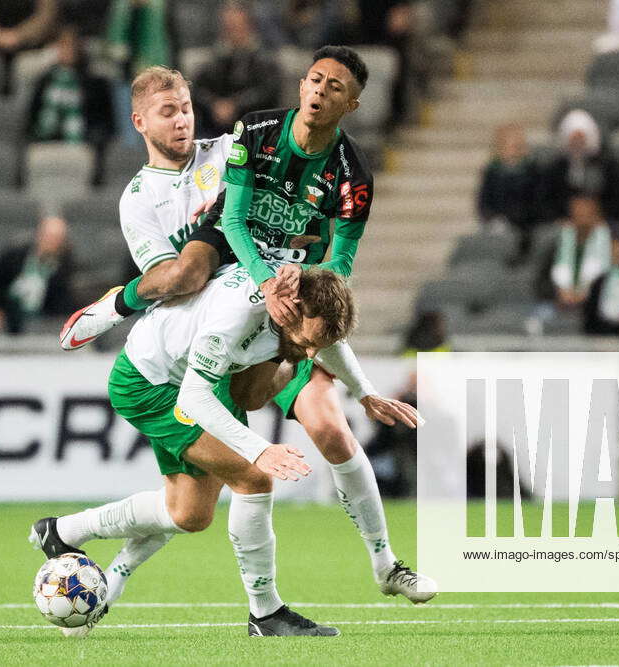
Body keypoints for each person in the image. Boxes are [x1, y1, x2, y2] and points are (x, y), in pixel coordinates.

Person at [60, 50, 436, 602]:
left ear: (352, 103)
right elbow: (217, 234)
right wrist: (263, 281)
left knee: (330, 426)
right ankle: (115, 306)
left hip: (275, 298)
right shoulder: (142, 197)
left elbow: (338, 261)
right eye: (168, 112)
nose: (183, 120)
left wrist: (313, 299)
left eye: (185, 109)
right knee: (201, 496)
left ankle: (386, 564)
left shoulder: (239, 147)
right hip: (223, 307)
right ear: (139, 121)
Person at [32, 268, 419, 637]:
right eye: (305, 342)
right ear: (290, 309)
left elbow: (326, 344)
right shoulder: (235, 318)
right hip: (151, 385)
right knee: (253, 477)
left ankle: (63, 531)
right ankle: (266, 612)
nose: (309, 352)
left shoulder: (294, 305)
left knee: (189, 514)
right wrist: (257, 450)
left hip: (193, 379)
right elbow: (194, 398)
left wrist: (365, 392)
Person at [193, 1, 282, 138]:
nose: (230, 32)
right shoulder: (215, 57)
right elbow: (197, 89)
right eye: (227, 27)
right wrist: (214, 104)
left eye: (235, 27)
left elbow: (267, 92)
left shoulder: (264, 58)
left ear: (249, 26)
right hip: (214, 127)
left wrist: (236, 105)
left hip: (253, 128)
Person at [0, 216, 77, 335]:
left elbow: (63, 305)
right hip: (7, 316)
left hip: (42, 322)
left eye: (57, 239)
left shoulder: (66, 269)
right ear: (39, 234)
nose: (52, 242)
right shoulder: (13, 257)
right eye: (49, 236)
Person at [26, 25, 116, 149]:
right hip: (45, 141)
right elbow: (31, 118)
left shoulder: (95, 84)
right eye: (63, 45)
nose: (68, 50)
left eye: (72, 45)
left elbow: (104, 124)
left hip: (83, 142)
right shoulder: (44, 80)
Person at [545, 109, 619, 224]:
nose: (577, 143)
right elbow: (549, 200)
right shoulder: (557, 168)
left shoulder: (606, 166)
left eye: (581, 139)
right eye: (574, 139)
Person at [476, 123, 542, 262]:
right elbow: (484, 204)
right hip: (500, 227)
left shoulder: (533, 171)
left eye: (518, 145)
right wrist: (494, 219)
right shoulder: (492, 172)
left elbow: (539, 201)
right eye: (509, 145)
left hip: (528, 227)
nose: (514, 150)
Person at [535, 194, 613, 311]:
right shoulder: (557, 246)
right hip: (560, 304)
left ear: (598, 217)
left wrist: (589, 295)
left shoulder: (610, 246)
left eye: (588, 215)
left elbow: (613, 280)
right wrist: (558, 292)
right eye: (578, 215)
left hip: (597, 307)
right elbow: (541, 282)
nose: (583, 220)